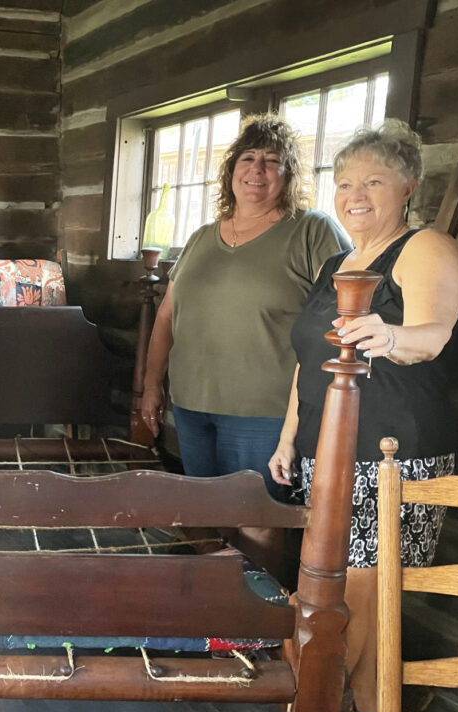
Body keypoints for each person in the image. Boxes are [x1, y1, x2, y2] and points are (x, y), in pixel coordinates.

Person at [268, 119, 458, 712]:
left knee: (360, 589)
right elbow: (309, 361)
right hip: (322, 449)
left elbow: (433, 335)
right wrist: (287, 439)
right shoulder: (337, 262)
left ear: (407, 187)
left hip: (392, 452)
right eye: (345, 181)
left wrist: (390, 334)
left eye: (374, 181)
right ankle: (374, 709)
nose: (356, 193)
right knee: (340, 585)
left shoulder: (425, 247)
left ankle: (309, 705)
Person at [141, 113, 348, 573]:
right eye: (248, 158)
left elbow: (340, 313)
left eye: (272, 161)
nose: (257, 170)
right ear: (231, 169)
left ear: (288, 175)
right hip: (193, 402)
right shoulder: (201, 237)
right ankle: (218, 610)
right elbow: (168, 315)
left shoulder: (311, 230)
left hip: (266, 409)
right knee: (204, 512)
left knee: (257, 518)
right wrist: (153, 385)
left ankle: (255, 624)